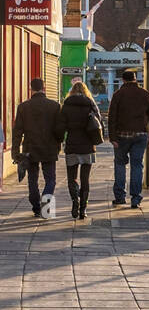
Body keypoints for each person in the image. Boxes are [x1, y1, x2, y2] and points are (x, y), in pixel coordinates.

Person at [107, 68, 149, 209]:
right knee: (137, 165)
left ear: (123, 80)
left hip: (122, 135)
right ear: (135, 79)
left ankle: (120, 196)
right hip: (141, 135)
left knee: (120, 164)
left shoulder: (118, 94)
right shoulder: (145, 94)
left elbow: (112, 118)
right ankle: (135, 198)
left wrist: (112, 137)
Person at [11, 78, 61, 218]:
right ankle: (46, 205)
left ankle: (36, 206)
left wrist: (15, 152)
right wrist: (59, 143)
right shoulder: (54, 106)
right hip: (49, 147)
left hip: (30, 148)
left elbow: (17, 131)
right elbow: (59, 129)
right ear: (44, 88)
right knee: (50, 179)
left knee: (32, 179)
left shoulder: (23, 107)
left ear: (30, 88)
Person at [57, 80, 104, 220]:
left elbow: (60, 127)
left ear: (72, 92)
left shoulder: (66, 106)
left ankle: (74, 201)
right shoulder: (90, 104)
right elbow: (99, 122)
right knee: (85, 178)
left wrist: (59, 141)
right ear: (85, 90)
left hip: (71, 145)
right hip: (88, 146)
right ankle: (83, 209)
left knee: (72, 178)